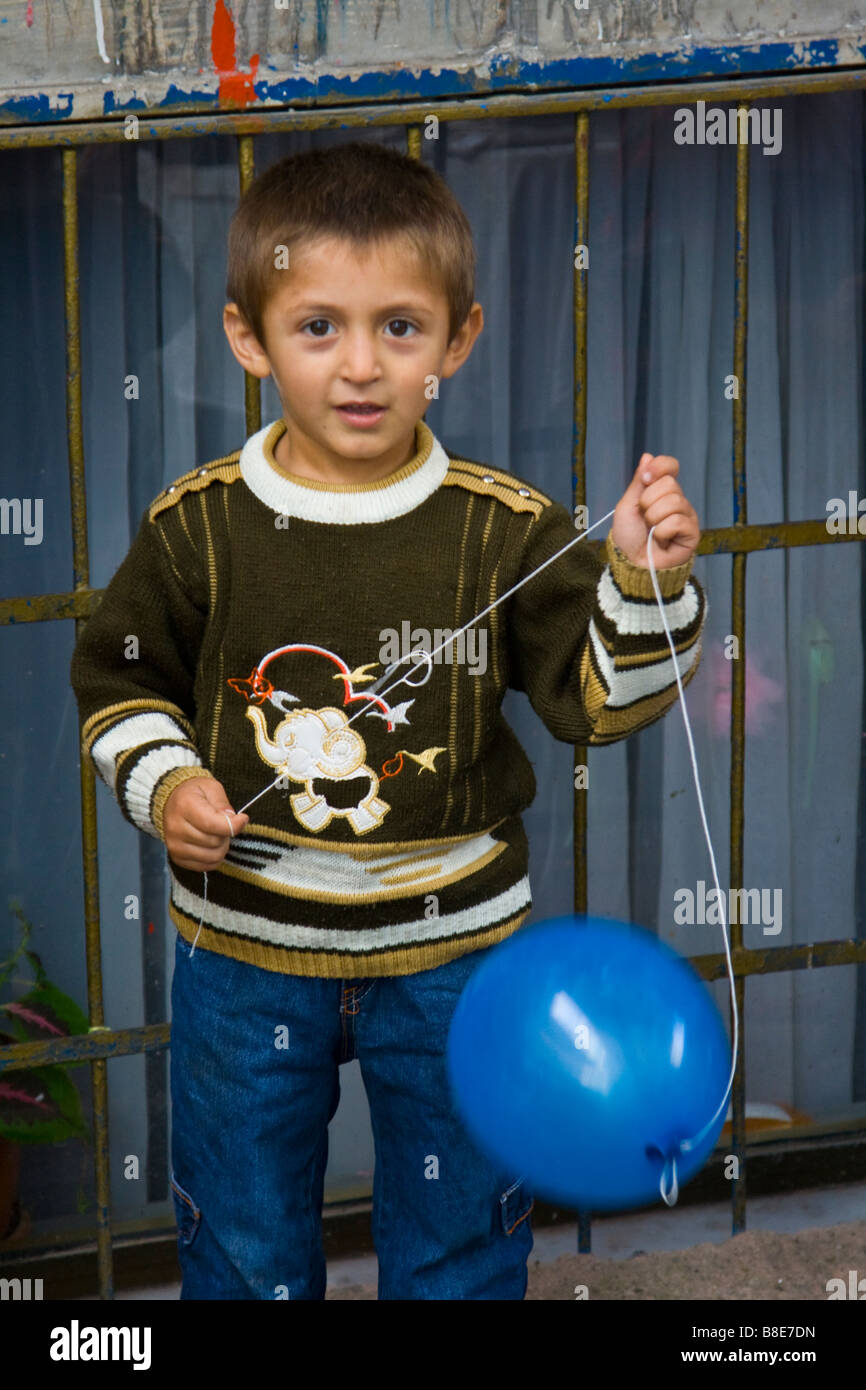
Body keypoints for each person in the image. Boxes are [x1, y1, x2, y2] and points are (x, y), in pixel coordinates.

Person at [70, 140, 706, 1300]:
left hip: (462, 958)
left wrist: (646, 584)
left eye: (399, 328)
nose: (359, 366)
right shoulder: (195, 527)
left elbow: (596, 707)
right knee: (245, 1247)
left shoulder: (499, 530)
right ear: (247, 338)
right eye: (318, 327)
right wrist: (164, 785)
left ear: (455, 341)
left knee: (460, 1244)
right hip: (244, 954)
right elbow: (117, 682)